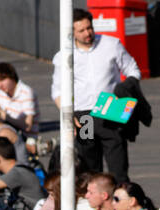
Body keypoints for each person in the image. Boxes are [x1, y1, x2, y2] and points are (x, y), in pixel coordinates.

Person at [52, 8, 140, 182]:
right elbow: (57, 91)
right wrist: (68, 115)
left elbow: (133, 70)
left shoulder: (111, 45)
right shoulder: (64, 56)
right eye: (82, 30)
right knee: (90, 169)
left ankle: (120, 201)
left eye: (89, 28)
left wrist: (126, 91)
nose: (88, 33)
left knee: (118, 167)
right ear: (72, 33)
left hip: (110, 111)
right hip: (84, 116)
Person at [0, 62, 37, 134]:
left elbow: (27, 127)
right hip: (9, 130)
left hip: (25, 136)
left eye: (2, 80)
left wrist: (5, 116)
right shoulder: (1, 92)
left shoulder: (26, 92)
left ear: (11, 76)